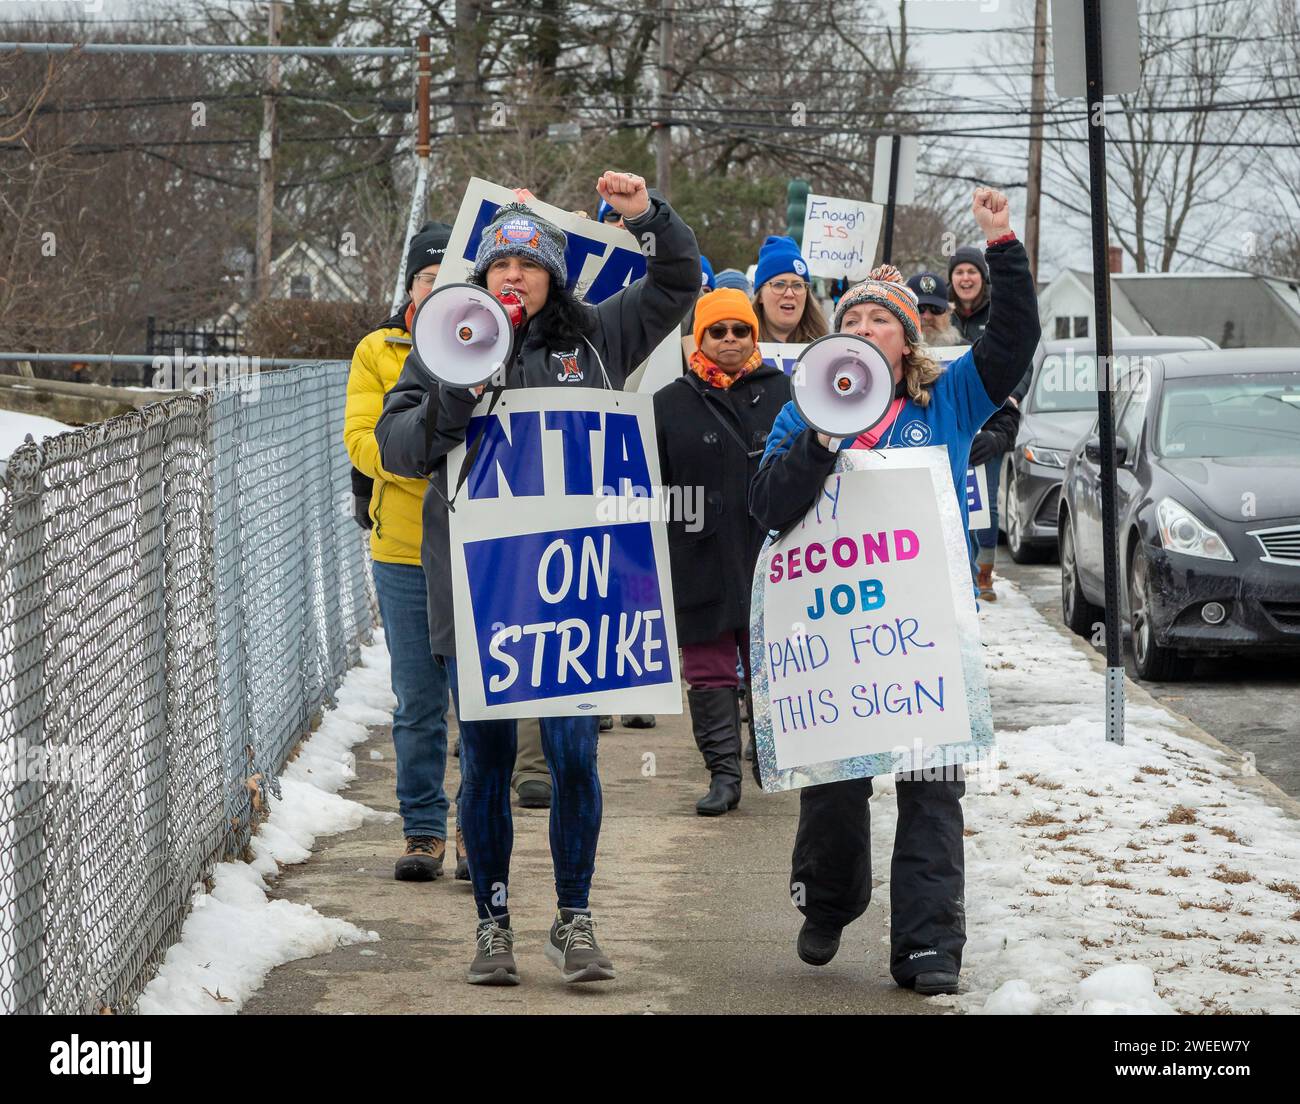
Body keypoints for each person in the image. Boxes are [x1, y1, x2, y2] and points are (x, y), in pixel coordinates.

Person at [375, 171, 701, 987]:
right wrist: (457, 394)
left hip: (574, 594)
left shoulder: (598, 336)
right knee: (486, 763)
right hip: (479, 592)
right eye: (500, 264)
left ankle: (573, 917)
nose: (513, 276)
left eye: (529, 264)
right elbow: (399, 449)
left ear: (554, 277)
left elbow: (676, 281)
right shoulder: (444, 339)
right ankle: (492, 925)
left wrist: (648, 215)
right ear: (481, 275)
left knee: (573, 759)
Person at [749, 188, 1040, 997]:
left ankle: (927, 945)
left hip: (925, 639)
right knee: (834, 791)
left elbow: (1013, 341)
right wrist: (818, 442)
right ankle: (828, 903)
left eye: (882, 319)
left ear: (907, 340)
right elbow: (767, 506)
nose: (866, 327)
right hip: (837, 642)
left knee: (932, 792)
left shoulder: (946, 400)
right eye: (853, 318)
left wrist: (1002, 245)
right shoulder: (802, 412)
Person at [344, 221, 462, 883]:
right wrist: (418, 456)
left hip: (481, 552)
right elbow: (363, 440)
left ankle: (478, 831)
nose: (438, 288)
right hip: (405, 550)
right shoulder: (378, 350)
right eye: (427, 277)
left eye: (451, 278)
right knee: (418, 701)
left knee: (481, 704)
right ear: (411, 285)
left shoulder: (494, 341)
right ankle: (423, 830)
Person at [655, 289, 790, 815]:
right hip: (699, 556)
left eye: (740, 330)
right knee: (708, 668)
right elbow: (652, 484)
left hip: (770, 553)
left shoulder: (784, 391)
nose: (729, 339)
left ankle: (772, 760)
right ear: (699, 337)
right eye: (717, 331)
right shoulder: (668, 402)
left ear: (753, 335)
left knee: (771, 664)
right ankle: (723, 775)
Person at [751, 236, 828, 345]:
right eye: (779, 285)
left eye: (797, 285)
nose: (789, 294)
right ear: (760, 296)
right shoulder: (741, 348)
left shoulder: (824, 347)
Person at [906, 271, 965, 347]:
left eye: (936, 309)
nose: (927, 317)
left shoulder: (967, 350)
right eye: (918, 308)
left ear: (949, 312)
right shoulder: (892, 351)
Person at [948, 245, 991, 343]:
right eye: (959, 272)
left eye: (972, 272)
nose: (965, 278)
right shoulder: (939, 310)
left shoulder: (999, 308)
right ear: (951, 279)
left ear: (983, 277)